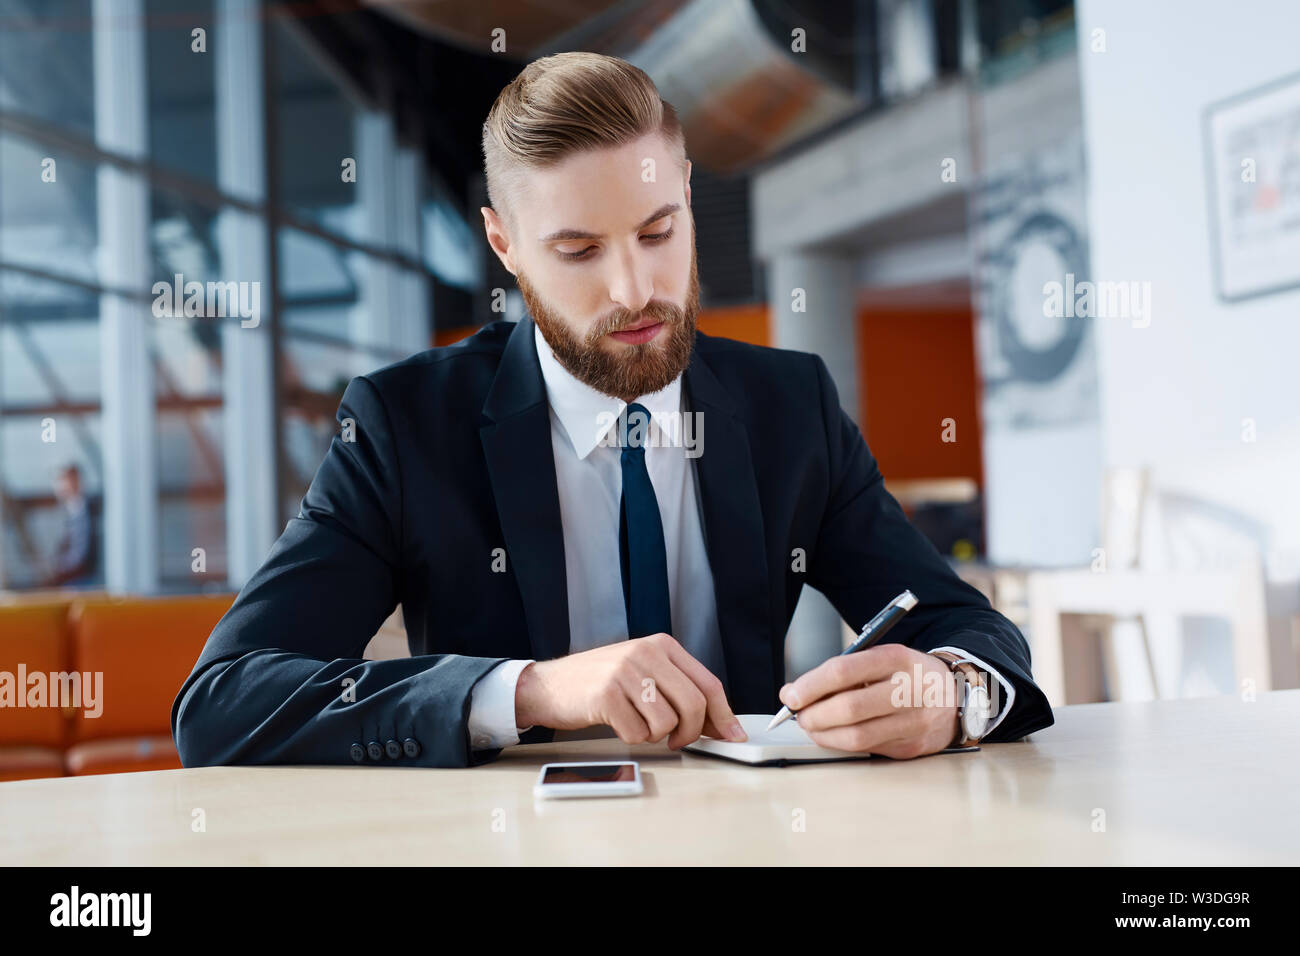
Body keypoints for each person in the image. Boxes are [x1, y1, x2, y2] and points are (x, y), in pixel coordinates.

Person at [172, 52, 1053, 769]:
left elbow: (963, 627)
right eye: (580, 249)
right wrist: (531, 691)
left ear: (688, 194)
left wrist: (945, 693)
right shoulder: (405, 425)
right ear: (504, 244)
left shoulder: (791, 406)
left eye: (659, 233)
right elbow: (224, 700)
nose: (635, 290)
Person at [41, 464, 96, 588]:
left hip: (83, 578)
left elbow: (79, 554)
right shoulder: (69, 511)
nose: (61, 487)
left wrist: (59, 569)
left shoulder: (88, 511)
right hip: (71, 576)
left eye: (65, 481)